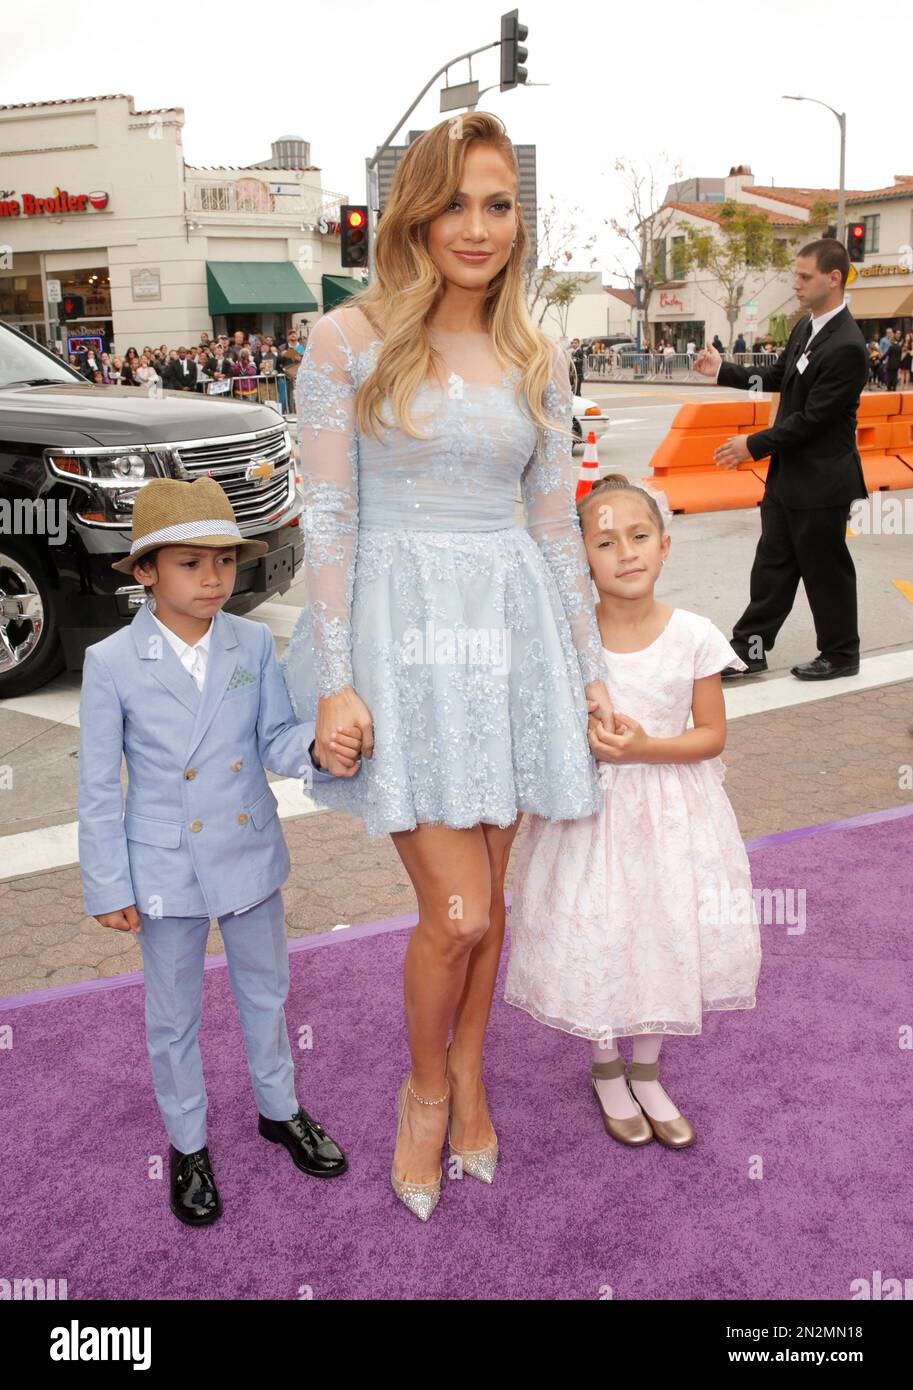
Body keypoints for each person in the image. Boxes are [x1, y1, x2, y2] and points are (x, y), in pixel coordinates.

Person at [281, 111, 614, 1223]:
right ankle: (424, 1088)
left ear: (520, 220)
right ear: (415, 215)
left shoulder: (538, 353)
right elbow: (329, 518)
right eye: (455, 203)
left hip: (512, 639)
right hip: (401, 645)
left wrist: (589, 671)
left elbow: (553, 526)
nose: (477, 226)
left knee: (492, 896)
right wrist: (338, 677)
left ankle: (471, 1076)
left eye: (498, 203)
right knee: (459, 910)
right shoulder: (347, 339)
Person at [77, 476, 361, 1227]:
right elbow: (99, 785)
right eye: (190, 563)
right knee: (173, 1015)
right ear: (145, 571)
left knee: (266, 992)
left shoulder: (252, 642)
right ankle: (188, 1144)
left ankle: (279, 1109)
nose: (213, 579)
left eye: (225, 561)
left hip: (247, 851)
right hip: (162, 866)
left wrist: (317, 749)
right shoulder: (111, 661)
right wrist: (108, 883)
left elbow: (273, 737)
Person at [505, 474, 760, 1146]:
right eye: (605, 541)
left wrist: (646, 748)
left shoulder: (694, 634)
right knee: (603, 931)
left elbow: (711, 735)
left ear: (664, 545)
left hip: (675, 817)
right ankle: (606, 1067)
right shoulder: (570, 642)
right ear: (582, 559)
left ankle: (646, 1071)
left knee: (664, 931)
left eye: (639, 536)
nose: (625, 552)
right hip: (591, 820)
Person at [694, 238, 868, 682]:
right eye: (795, 275)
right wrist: (723, 370)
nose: (796, 283)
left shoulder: (847, 346)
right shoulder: (806, 327)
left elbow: (813, 420)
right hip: (788, 477)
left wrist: (753, 445)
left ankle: (841, 654)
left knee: (825, 571)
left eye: (805, 276)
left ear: (834, 278)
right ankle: (750, 649)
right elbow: (776, 376)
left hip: (823, 483)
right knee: (772, 567)